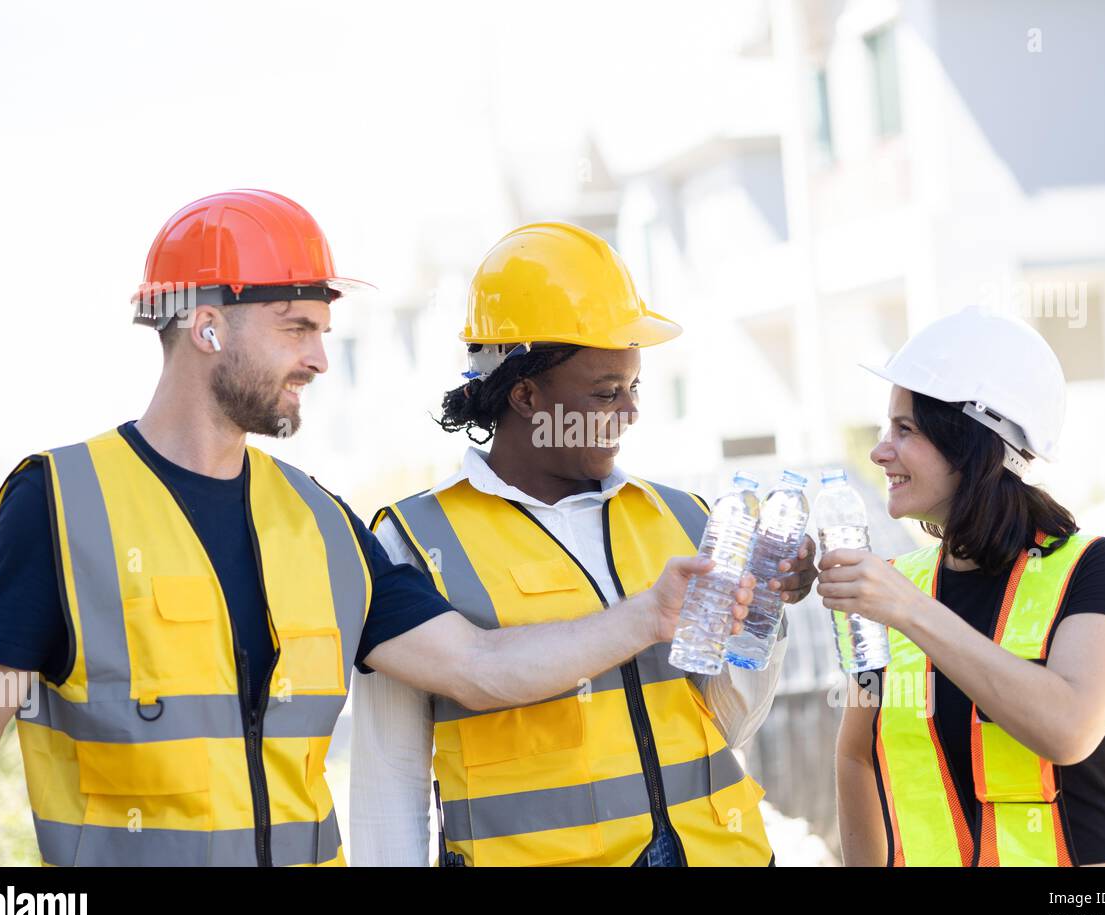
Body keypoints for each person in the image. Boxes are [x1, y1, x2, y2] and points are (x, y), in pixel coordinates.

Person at [0, 194, 752, 867]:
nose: (321, 359)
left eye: (323, 331)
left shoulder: (322, 524)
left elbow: (476, 666)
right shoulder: (62, 503)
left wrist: (649, 615)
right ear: (208, 325)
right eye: (297, 327)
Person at [350, 222, 819, 867]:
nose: (629, 412)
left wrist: (764, 611)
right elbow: (390, 774)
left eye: (633, 387)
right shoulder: (413, 542)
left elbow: (729, 721)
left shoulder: (683, 517)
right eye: (605, 392)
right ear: (526, 395)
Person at [826, 309, 1105, 868]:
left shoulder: (1097, 568)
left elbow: (1068, 728)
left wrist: (911, 612)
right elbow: (857, 756)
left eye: (905, 430)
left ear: (971, 446)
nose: (881, 451)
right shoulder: (896, 586)